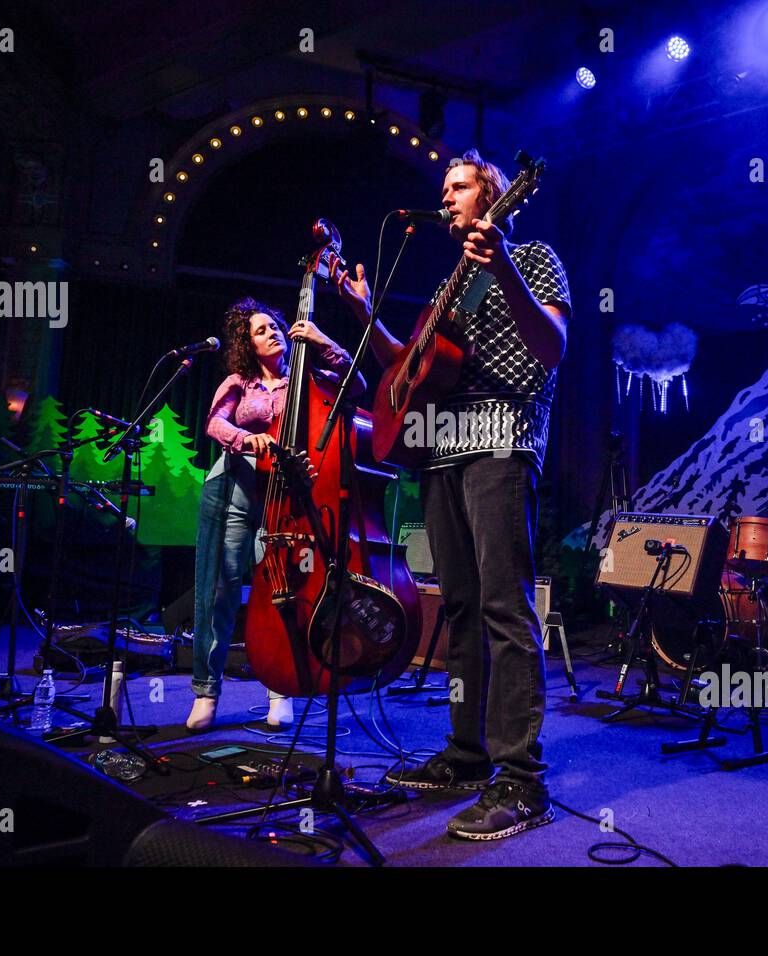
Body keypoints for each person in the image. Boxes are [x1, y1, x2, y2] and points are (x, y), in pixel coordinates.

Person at [335, 149, 570, 840]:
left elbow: (553, 347)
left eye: (459, 186)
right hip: (442, 446)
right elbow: (407, 371)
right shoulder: (451, 284)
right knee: (461, 611)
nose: (446, 198)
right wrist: (360, 312)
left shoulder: (529, 257)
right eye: (443, 189)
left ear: (493, 195)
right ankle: (468, 755)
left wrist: (501, 267)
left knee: (503, 606)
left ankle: (522, 780)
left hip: (500, 440)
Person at [186, 297, 361, 732]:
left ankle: (280, 687)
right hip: (233, 488)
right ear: (248, 345)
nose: (271, 332)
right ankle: (206, 691)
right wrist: (247, 439)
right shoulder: (238, 382)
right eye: (260, 330)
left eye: (275, 326)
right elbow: (214, 424)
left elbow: (356, 385)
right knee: (219, 588)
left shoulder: (309, 378)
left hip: (285, 499)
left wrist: (322, 341)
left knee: (282, 592)